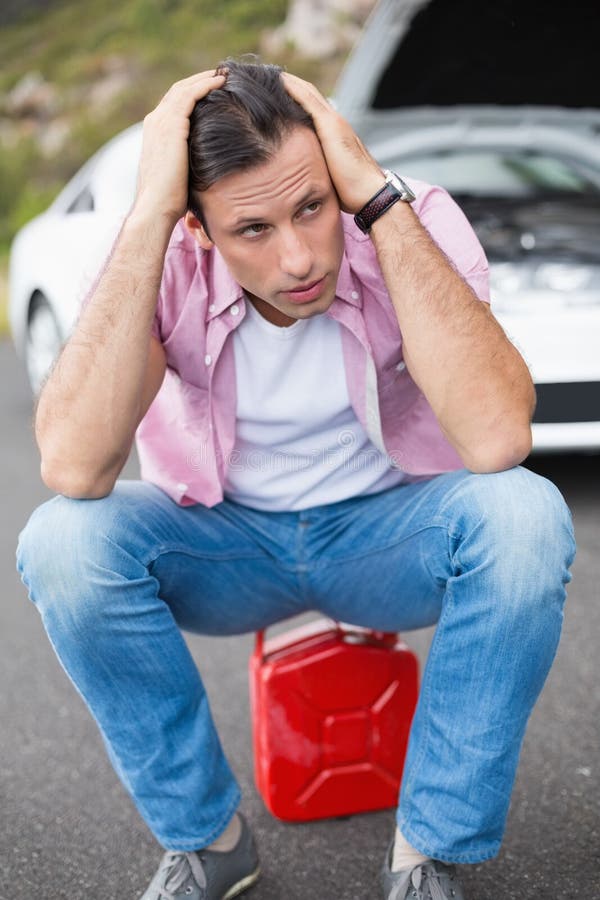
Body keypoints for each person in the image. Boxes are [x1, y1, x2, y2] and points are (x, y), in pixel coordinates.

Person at [16, 59, 576, 900]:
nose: (300, 257)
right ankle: (208, 842)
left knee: (526, 517)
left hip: (386, 535)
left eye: (311, 206)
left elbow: (498, 436)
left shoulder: (404, 218)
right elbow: (73, 465)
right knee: (61, 540)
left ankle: (429, 854)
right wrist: (149, 217)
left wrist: (376, 204)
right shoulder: (168, 252)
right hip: (227, 546)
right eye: (252, 230)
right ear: (200, 228)